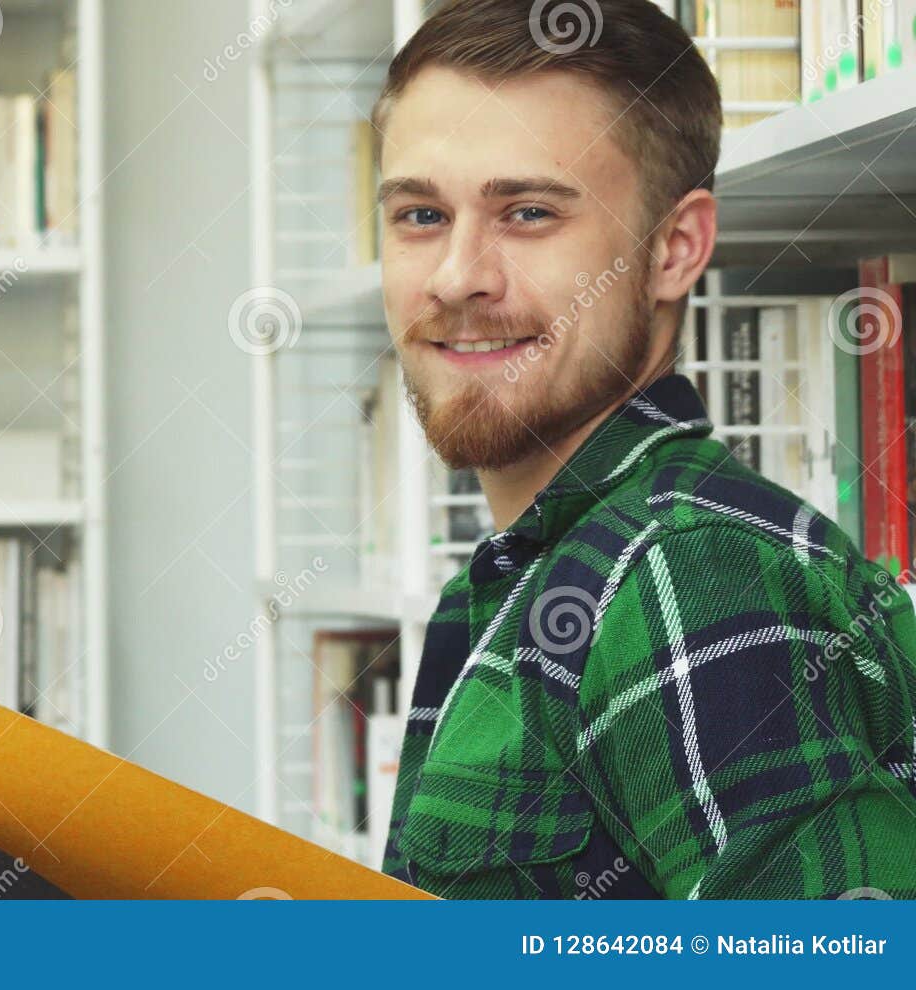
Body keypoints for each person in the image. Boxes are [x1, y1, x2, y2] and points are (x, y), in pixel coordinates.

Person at [374, 0, 916, 898]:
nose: (456, 276)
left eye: (530, 212)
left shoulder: (690, 571)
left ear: (673, 249)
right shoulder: (544, 566)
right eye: (422, 215)